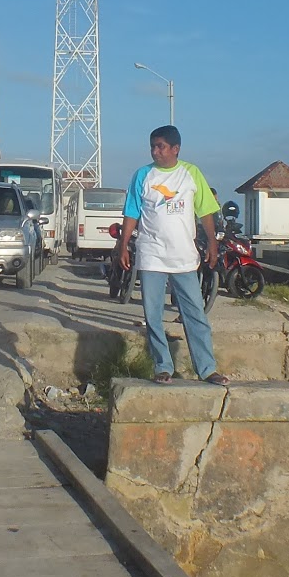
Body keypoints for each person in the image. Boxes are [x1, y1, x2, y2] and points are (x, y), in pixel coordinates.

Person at [118, 125, 229, 386]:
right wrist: (123, 245)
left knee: (195, 315)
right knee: (153, 314)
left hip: (184, 257)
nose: (155, 151)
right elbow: (132, 212)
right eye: (153, 146)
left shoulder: (191, 174)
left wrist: (212, 243)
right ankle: (163, 366)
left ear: (175, 149)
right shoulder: (142, 175)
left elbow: (205, 212)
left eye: (161, 146)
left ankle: (206, 368)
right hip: (151, 254)